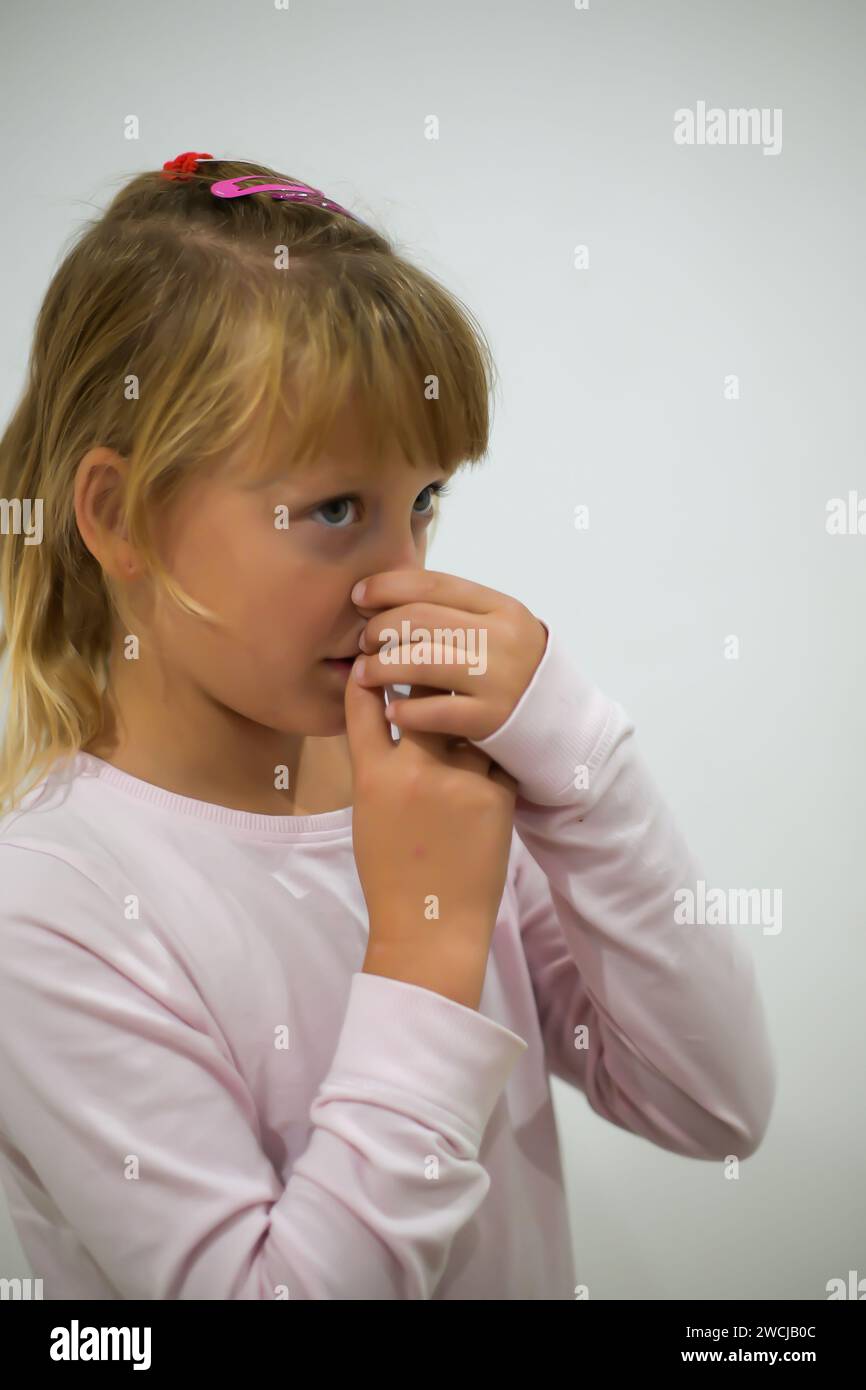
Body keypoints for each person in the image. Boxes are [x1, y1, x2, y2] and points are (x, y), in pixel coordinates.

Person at [0, 153, 776, 1300]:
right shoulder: (49, 907)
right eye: (331, 510)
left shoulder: (424, 777)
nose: (397, 580)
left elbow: (711, 1106)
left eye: (422, 503)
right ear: (122, 516)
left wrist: (583, 775)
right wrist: (422, 943)